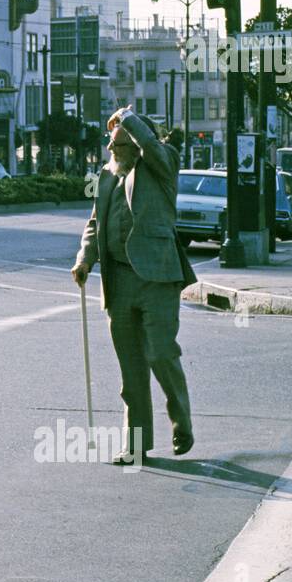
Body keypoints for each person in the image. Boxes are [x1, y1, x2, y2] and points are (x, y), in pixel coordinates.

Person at [71, 106, 197, 466]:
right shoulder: (107, 176)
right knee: (131, 368)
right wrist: (84, 259)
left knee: (160, 353)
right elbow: (95, 224)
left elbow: (154, 147)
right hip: (120, 280)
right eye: (111, 146)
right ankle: (136, 443)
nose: (113, 151)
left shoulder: (161, 164)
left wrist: (127, 117)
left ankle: (181, 420)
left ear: (138, 143)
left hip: (156, 275)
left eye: (120, 145)